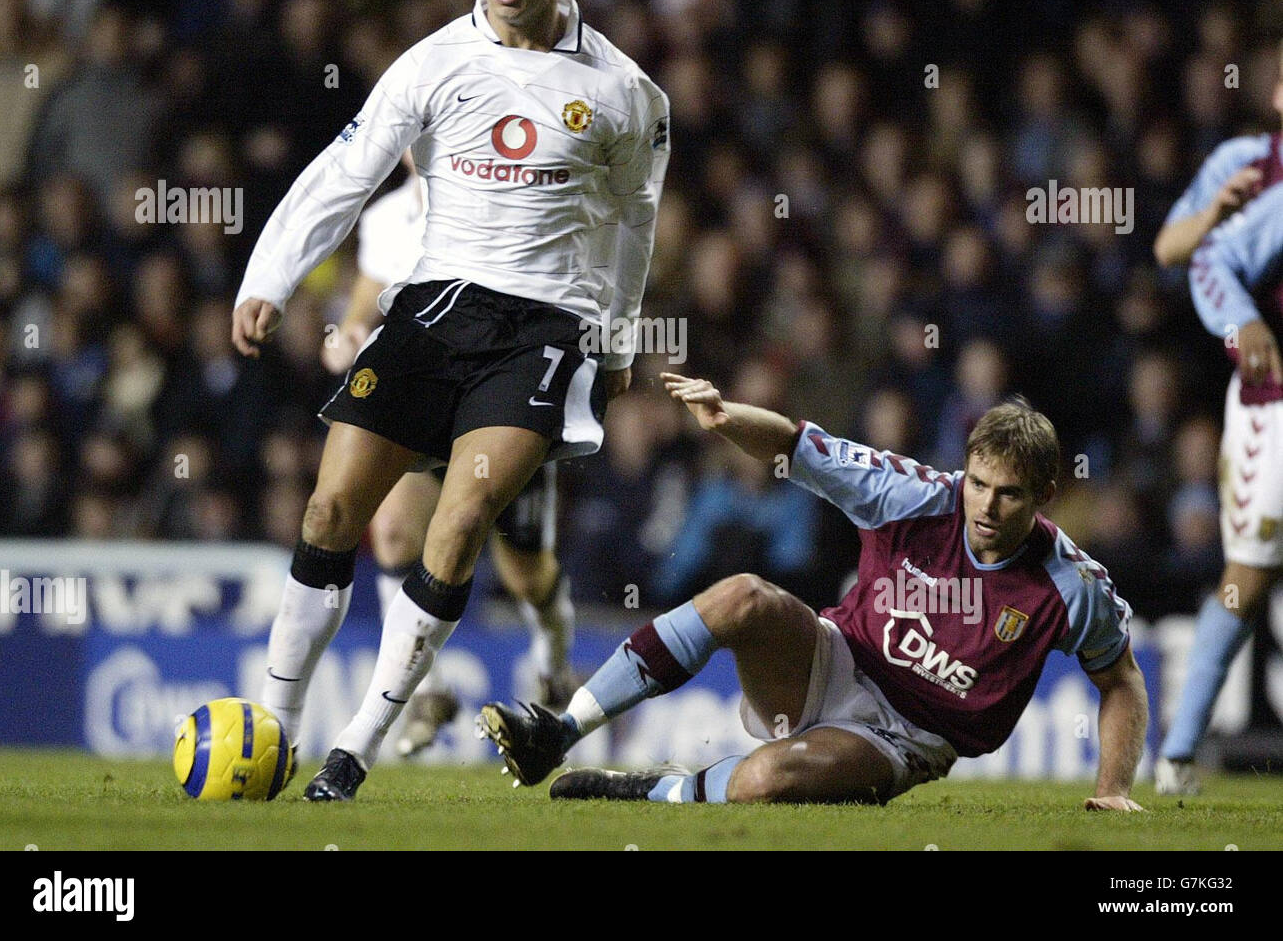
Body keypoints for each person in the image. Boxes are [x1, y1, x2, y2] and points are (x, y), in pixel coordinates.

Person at [231, 0, 670, 800]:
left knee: (464, 521)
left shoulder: (627, 93)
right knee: (328, 515)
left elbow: (637, 225)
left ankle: (354, 748)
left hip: (542, 331)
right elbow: (346, 172)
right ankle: (276, 723)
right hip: (433, 314)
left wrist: (620, 343)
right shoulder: (432, 63)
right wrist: (269, 276)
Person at [479, 372, 1148, 809]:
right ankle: (561, 728)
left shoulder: (1068, 583)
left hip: (904, 736)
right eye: (978, 482)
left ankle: (654, 790)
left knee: (766, 780)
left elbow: (1121, 679)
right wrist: (725, 415)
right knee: (743, 594)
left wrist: (1113, 789)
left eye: (1010, 494)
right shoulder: (913, 495)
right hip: (833, 658)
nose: (987, 505)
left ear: (1044, 496)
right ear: (963, 469)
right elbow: (801, 446)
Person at [319, 153, 577, 756]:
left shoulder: (496, 200)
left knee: (526, 575)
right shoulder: (385, 218)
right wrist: (346, 338)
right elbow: (362, 308)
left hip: (496, 395)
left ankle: (554, 661)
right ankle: (426, 690)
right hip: (421, 394)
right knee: (392, 537)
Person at [1151, 62, 1283, 794]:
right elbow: (1182, 253)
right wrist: (1244, 321)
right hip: (1271, 399)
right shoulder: (1247, 166)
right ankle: (1177, 751)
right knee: (1248, 578)